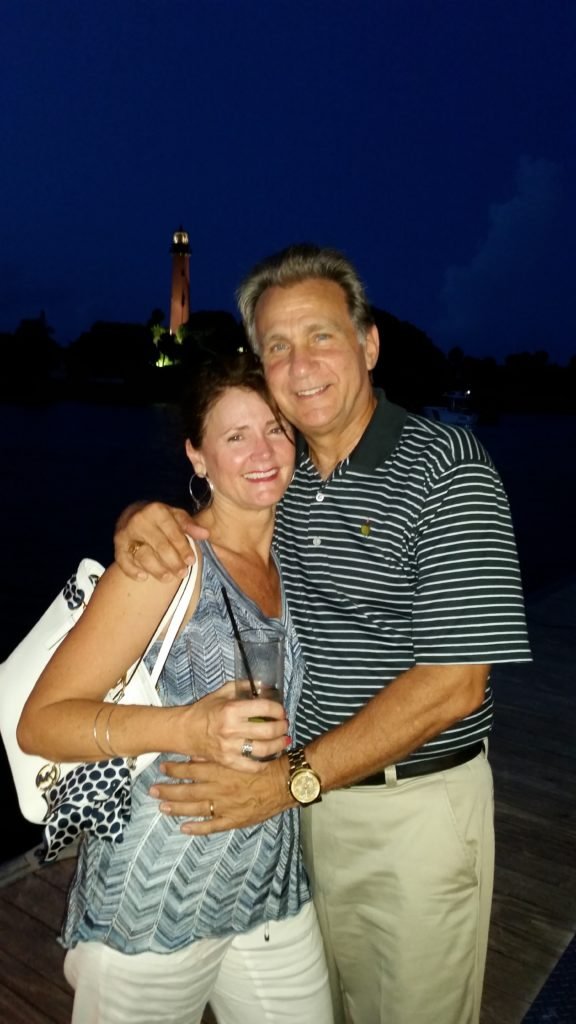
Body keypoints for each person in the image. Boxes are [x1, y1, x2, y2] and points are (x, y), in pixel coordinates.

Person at [114, 244, 532, 1024]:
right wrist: (141, 517)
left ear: (368, 345)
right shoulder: (288, 477)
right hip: (304, 813)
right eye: (276, 345)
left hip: (412, 811)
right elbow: (214, 522)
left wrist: (285, 781)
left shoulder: (449, 469)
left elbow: (453, 684)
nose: (299, 363)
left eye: (321, 336)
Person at [18, 349, 333, 1024]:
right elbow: (41, 723)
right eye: (235, 435)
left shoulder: (295, 554)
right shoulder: (164, 562)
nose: (263, 450)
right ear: (198, 456)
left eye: (276, 428)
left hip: (271, 891)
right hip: (152, 911)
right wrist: (186, 728)